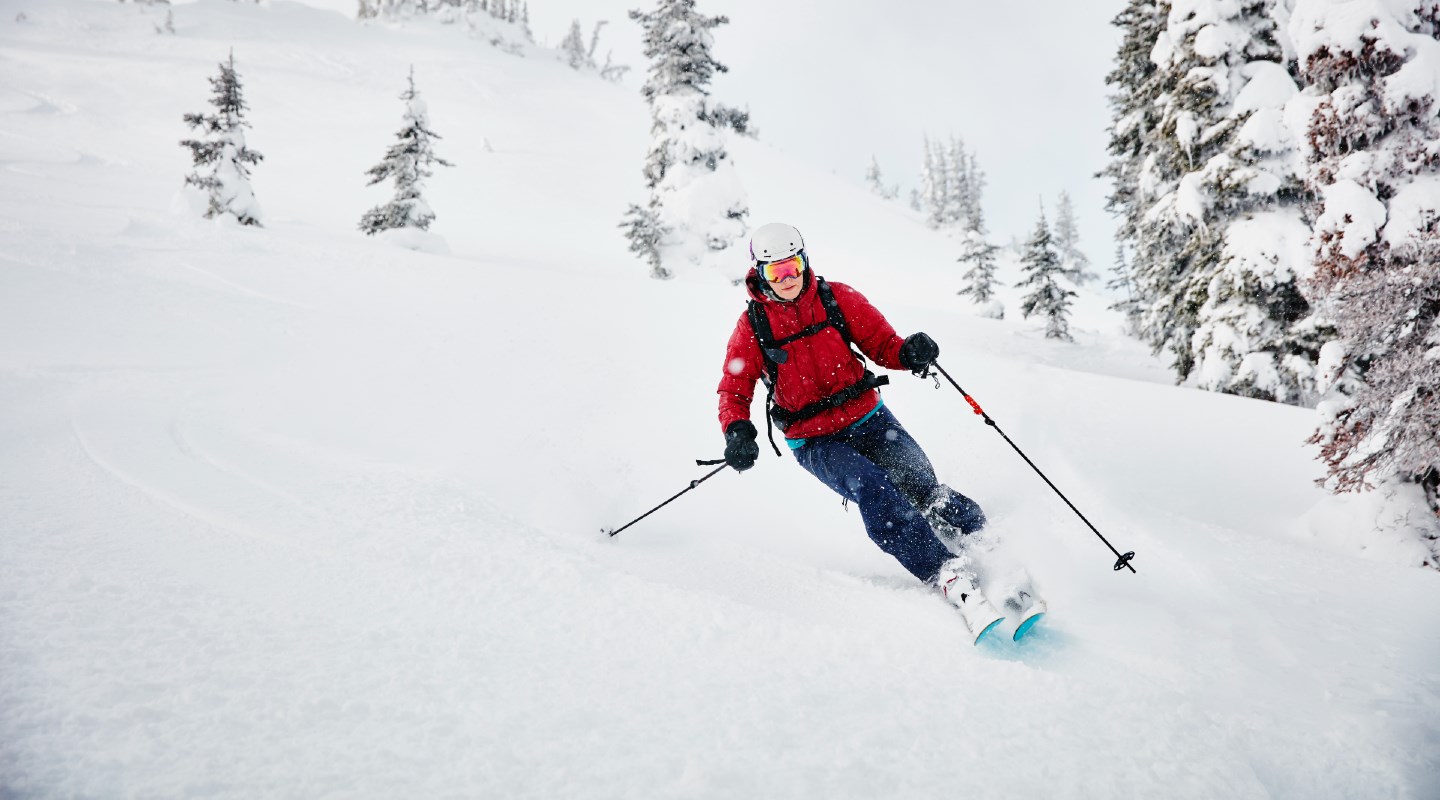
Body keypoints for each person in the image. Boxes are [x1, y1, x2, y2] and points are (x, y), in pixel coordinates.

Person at [716, 222, 1004, 633]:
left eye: (793, 266)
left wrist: (909, 352)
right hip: (814, 440)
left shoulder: (837, 298)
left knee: (918, 480)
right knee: (873, 488)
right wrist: (737, 431)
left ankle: (981, 538)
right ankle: (944, 571)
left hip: (869, 418)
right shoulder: (754, 327)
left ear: (805, 262)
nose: (788, 279)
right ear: (761, 274)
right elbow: (733, 387)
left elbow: (884, 345)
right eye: (776, 272)